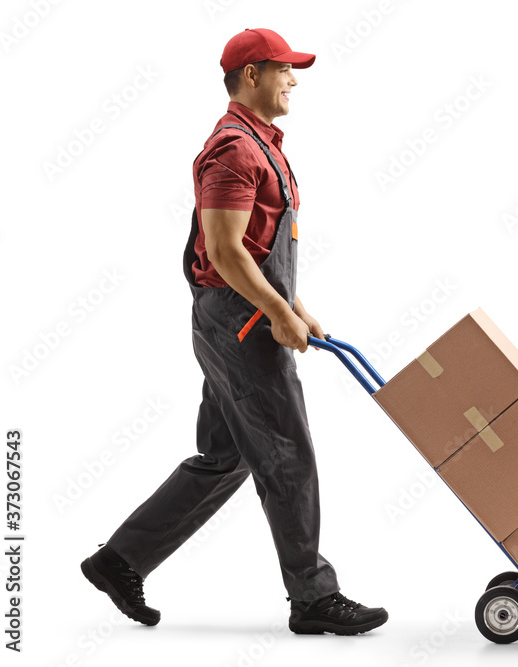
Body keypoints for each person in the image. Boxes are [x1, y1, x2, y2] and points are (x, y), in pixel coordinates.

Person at [80, 28, 388, 636]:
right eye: (284, 69)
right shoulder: (233, 151)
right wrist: (275, 313)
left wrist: (294, 303)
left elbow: (254, 246)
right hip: (238, 324)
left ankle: (120, 560)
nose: (293, 80)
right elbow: (222, 250)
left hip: (245, 314)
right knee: (287, 454)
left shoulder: (263, 145)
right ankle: (313, 597)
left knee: (226, 457)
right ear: (251, 76)